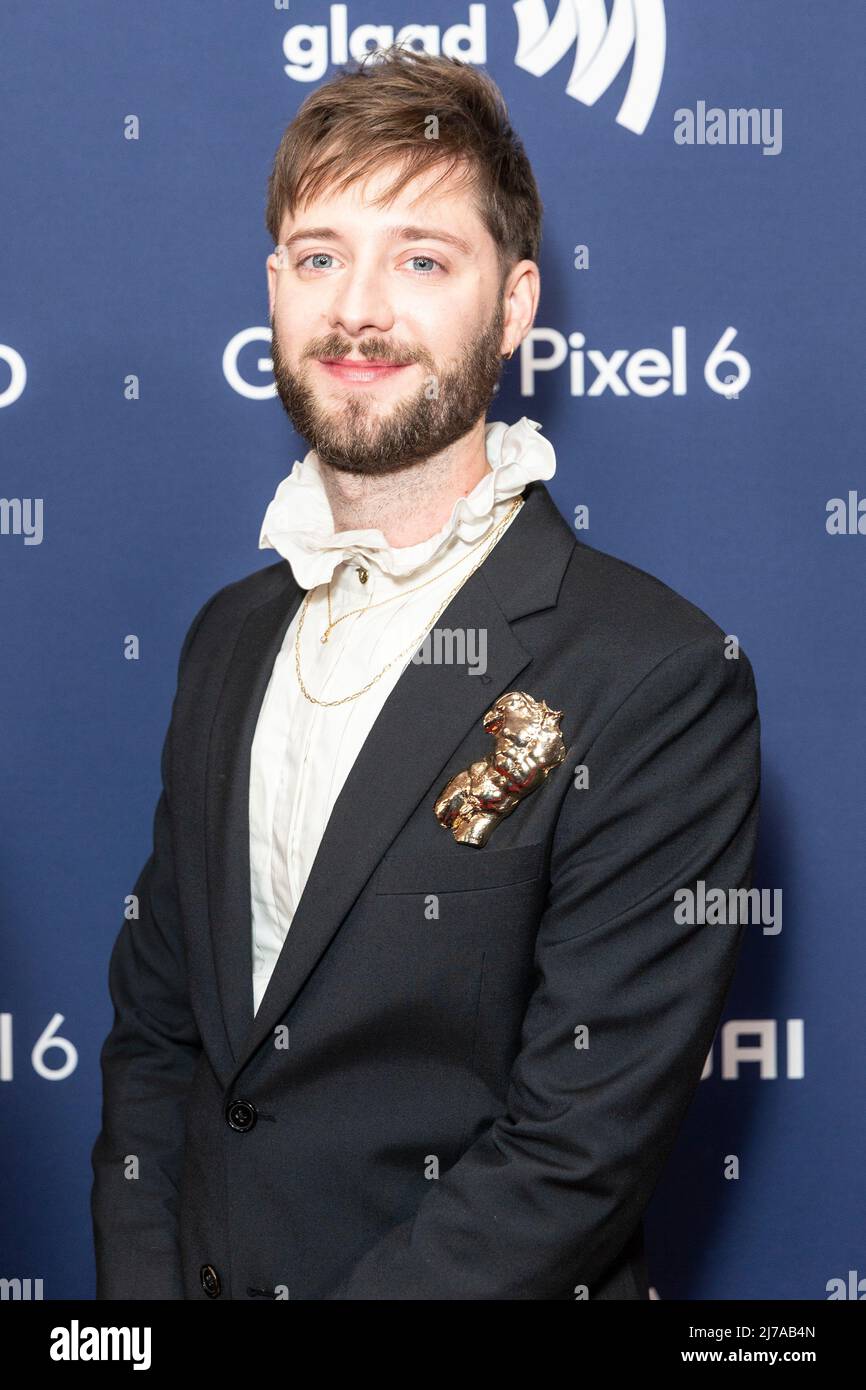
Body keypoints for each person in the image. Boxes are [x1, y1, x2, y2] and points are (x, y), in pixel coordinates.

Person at [91, 43, 761, 1301]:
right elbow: (158, 1042)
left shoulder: (657, 674)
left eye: (420, 259)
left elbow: (572, 1152)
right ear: (273, 290)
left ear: (511, 308)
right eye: (319, 256)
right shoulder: (227, 637)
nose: (357, 309)